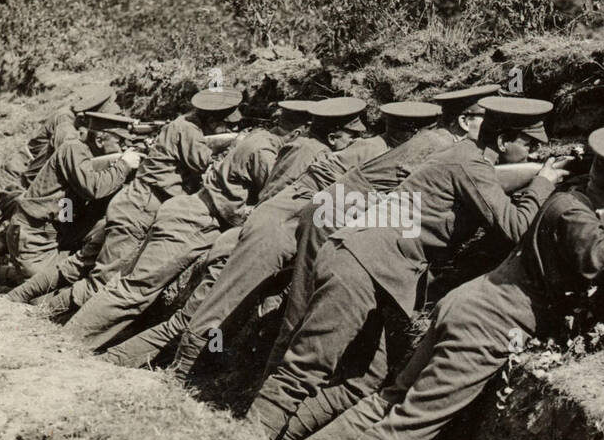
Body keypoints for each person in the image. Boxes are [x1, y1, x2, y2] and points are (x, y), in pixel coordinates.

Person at [286, 125, 604, 440]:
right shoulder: (576, 217)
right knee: (411, 423)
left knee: (391, 399)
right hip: (488, 325)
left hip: (467, 304)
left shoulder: (573, 196)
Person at [247, 96, 568, 440]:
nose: (535, 152)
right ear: (504, 142)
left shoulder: (469, 160)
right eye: (530, 145)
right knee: (306, 368)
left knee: (366, 380)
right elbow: (515, 226)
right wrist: (544, 182)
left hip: (378, 270)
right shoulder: (469, 163)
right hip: (361, 265)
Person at [104, 100, 442, 370]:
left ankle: (187, 367)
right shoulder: (370, 152)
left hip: (284, 227)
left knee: (221, 312)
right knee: (214, 310)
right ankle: (165, 370)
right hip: (275, 229)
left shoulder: (364, 147)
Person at [68, 98, 369, 354]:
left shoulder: (264, 140)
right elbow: (271, 197)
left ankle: (76, 340)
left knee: (135, 288)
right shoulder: (273, 151)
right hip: (195, 220)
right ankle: (68, 343)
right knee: (136, 289)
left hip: (194, 215)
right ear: (301, 130)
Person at [267, 82, 500, 374]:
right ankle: (273, 379)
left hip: (341, 211)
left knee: (312, 307)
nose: (496, 127)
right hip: (335, 214)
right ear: (465, 121)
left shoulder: (441, 142)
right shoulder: (440, 145)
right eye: (488, 119)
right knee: (302, 309)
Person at [6, 90, 247, 309]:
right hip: (126, 215)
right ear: (214, 121)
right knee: (100, 282)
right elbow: (209, 167)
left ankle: (15, 295)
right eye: (227, 126)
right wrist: (235, 148)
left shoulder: (181, 126)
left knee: (78, 263)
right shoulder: (187, 131)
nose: (233, 131)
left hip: (125, 208)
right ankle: (41, 313)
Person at [0, 82, 115, 264]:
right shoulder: (65, 121)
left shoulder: (74, 121)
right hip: (21, 171)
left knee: (22, 222)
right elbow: (73, 156)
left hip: (36, 182)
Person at [1, 111, 141, 281]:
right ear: (99, 140)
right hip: (33, 239)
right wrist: (124, 165)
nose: (123, 148)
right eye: (120, 142)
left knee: (104, 222)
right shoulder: (74, 149)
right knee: (40, 294)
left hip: (56, 232)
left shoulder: (87, 156)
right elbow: (93, 188)